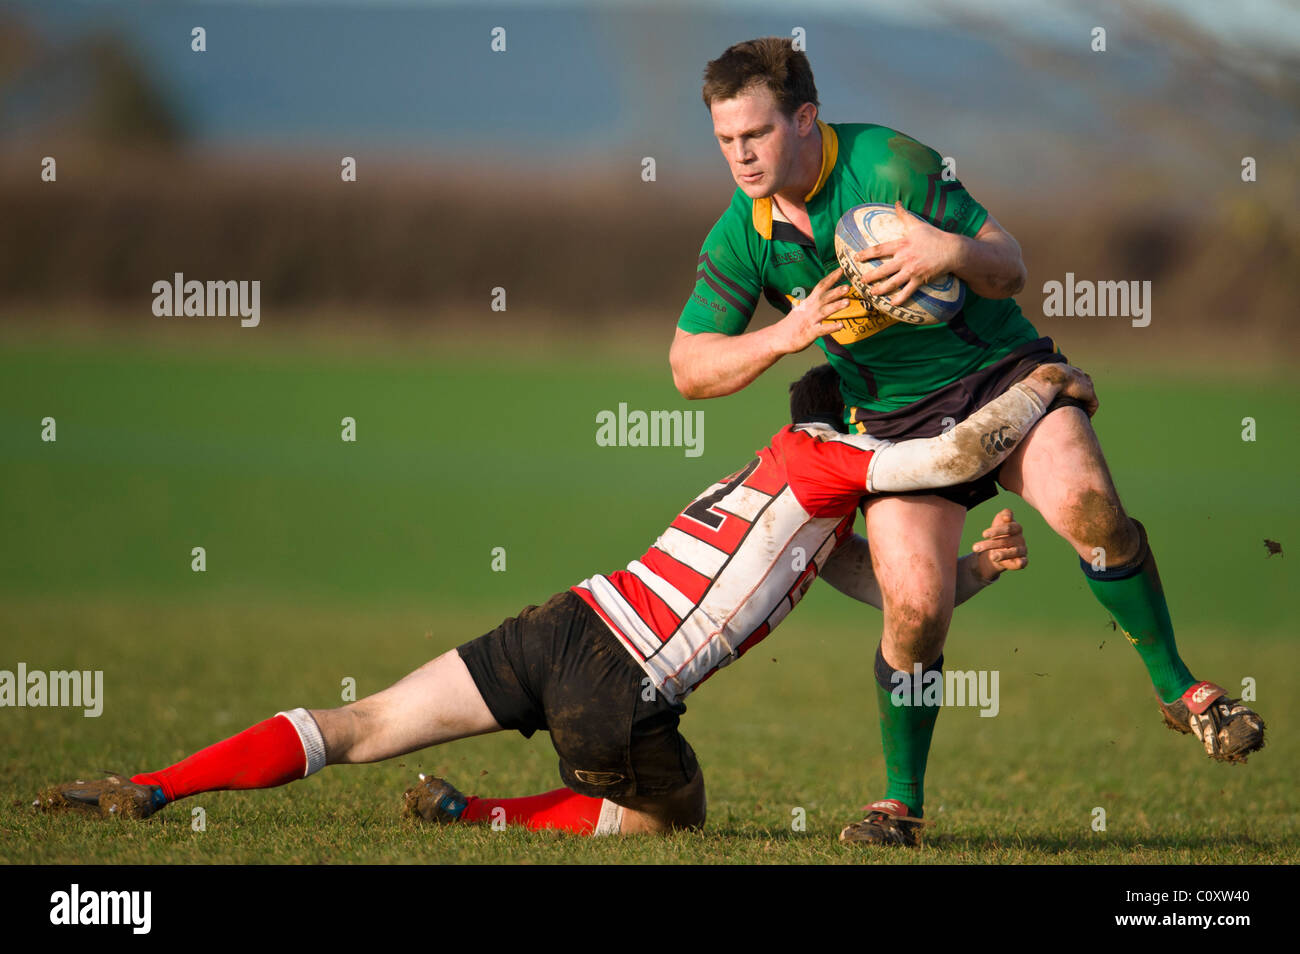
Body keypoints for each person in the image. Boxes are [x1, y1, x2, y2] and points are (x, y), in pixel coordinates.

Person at [35, 363, 1095, 838]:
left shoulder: (781, 490)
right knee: (673, 818)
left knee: (359, 725)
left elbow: (875, 582)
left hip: (561, 624)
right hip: (619, 682)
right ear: (852, 426)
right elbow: (955, 453)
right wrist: (1041, 385)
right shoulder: (830, 458)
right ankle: (476, 816)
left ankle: (153, 786)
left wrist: (972, 575)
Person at [669, 37, 1264, 845]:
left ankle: (1178, 689)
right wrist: (786, 335)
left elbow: (1009, 264)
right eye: (725, 140)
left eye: (756, 134)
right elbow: (689, 367)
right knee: (916, 609)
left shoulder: (889, 164)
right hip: (893, 427)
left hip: (1001, 375)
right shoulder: (745, 232)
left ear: (804, 118)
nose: (740, 155)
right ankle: (901, 805)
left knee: (1091, 510)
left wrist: (950, 251)